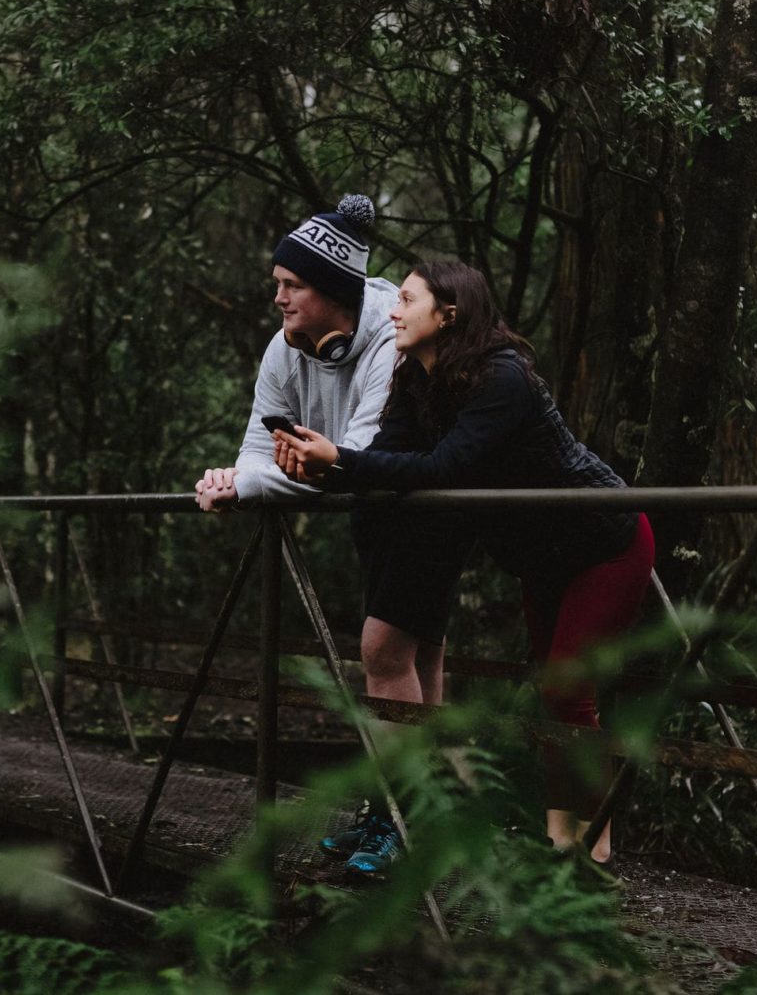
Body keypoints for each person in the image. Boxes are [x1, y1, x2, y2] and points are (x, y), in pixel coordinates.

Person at [274, 259, 654, 866]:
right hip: (539, 557)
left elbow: (446, 468)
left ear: (447, 314)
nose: (392, 311)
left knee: (568, 690)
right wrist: (326, 462)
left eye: (406, 299)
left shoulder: (503, 378)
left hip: (603, 541)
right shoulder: (415, 377)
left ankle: (591, 849)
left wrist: (340, 459)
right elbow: (389, 455)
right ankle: (562, 838)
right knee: (556, 693)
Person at [193, 194, 397, 513]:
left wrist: (247, 485)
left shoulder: (395, 344)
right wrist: (231, 480)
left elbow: (355, 457)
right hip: (364, 511)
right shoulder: (283, 346)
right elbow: (259, 448)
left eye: (294, 285)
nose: (279, 298)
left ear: (335, 293)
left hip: (423, 511)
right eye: (277, 283)